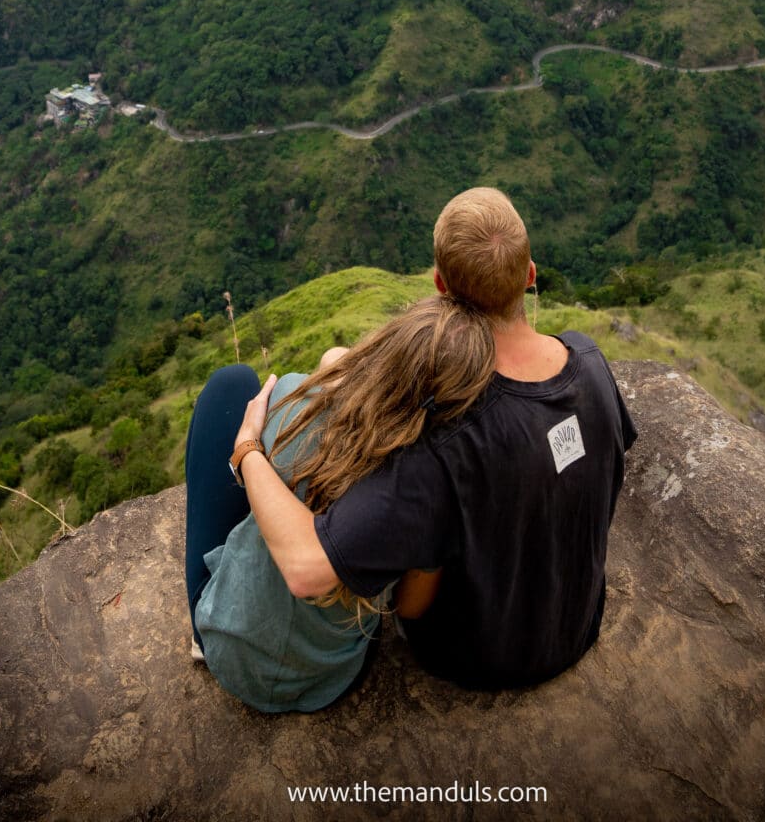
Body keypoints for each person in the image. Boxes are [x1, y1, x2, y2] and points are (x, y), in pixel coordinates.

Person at [234, 186, 638, 691]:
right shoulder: (590, 365)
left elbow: (307, 568)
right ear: (530, 275)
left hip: (474, 659)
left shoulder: (448, 439)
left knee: (251, 403)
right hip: (575, 629)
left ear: (441, 286)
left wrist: (248, 449)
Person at [184, 295, 495, 711]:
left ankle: (209, 621)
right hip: (329, 680)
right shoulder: (426, 496)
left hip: (227, 646)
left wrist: (248, 446)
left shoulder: (293, 400)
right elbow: (410, 607)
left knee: (231, 383)